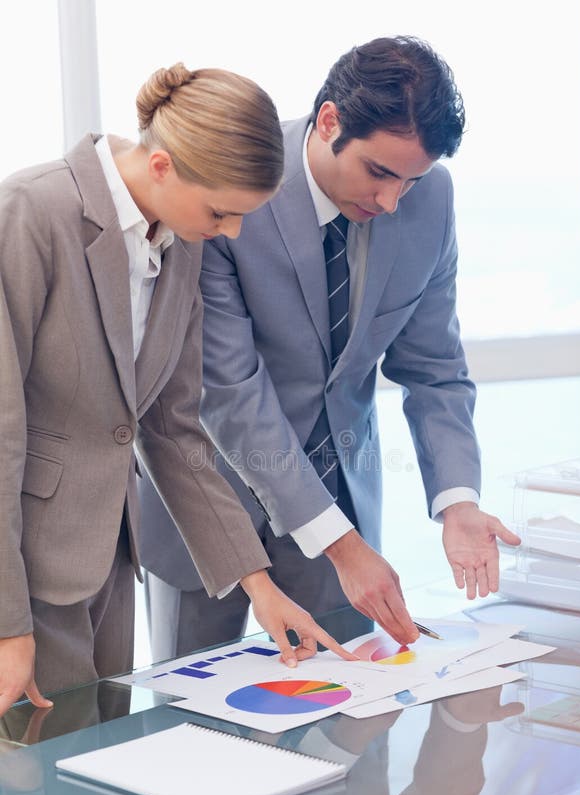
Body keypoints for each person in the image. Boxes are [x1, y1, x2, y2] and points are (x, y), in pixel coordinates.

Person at [139, 35, 520, 661]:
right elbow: (227, 388)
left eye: (411, 180)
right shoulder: (238, 179)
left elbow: (434, 370)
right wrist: (342, 546)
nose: (391, 201)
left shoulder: (431, 200)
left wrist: (458, 501)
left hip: (340, 494)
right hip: (208, 502)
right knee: (189, 703)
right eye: (380, 173)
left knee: (344, 706)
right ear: (329, 121)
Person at [0, 62, 356, 719]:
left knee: (102, 760)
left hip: (111, 567)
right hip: (22, 574)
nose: (232, 232)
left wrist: (259, 585)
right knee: (35, 768)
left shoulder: (180, 242)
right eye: (222, 212)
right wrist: (6, 624)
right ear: (162, 166)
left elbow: (173, 430)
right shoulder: (32, 211)